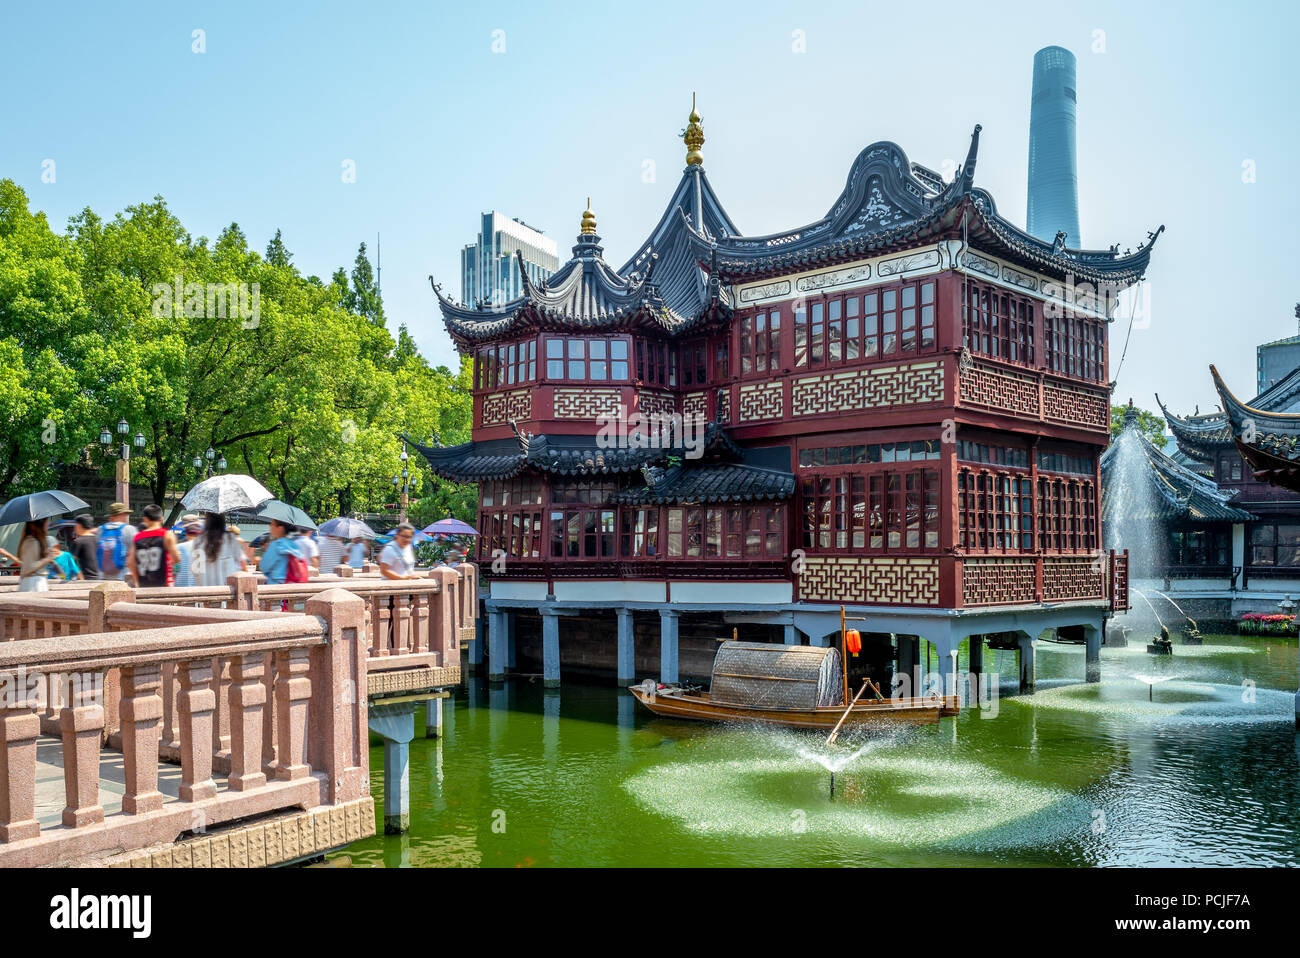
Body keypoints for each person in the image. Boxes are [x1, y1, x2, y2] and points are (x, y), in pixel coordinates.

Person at [128, 504, 180, 587]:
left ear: (145, 519)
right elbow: (177, 558)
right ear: (161, 519)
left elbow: (130, 562)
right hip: (163, 585)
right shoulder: (167, 535)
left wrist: (137, 580)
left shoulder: (137, 537)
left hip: (143, 584)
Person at [194, 512, 248, 586]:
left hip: (205, 591)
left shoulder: (199, 540)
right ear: (223, 522)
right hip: (228, 591)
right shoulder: (231, 539)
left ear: (207, 521)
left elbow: (195, 570)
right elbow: (240, 563)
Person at [96, 503, 137, 581]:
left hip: (103, 576)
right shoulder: (129, 529)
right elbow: (134, 554)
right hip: (123, 576)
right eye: (126, 514)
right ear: (122, 514)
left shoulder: (100, 529)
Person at [17, 519, 59, 592]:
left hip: (35, 581)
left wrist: (46, 555)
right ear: (39, 525)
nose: (48, 524)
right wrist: (47, 558)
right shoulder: (31, 542)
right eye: (46, 521)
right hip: (33, 583)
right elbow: (29, 567)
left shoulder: (34, 541)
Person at [258, 519, 304, 585]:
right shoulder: (294, 545)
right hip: (293, 585)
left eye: (272, 524)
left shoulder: (276, 545)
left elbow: (263, 567)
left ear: (280, 528)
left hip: (275, 586)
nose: (270, 525)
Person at [69, 515, 101, 580]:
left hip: (86, 578)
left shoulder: (78, 541)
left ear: (79, 525)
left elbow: (70, 562)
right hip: (102, 577)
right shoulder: (99, 539)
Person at [174, 520, 203, 588]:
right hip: (199, 588)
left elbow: (175, 570)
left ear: (186, 534)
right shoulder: (205, 548)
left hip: (181, 587)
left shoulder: (179, 547)